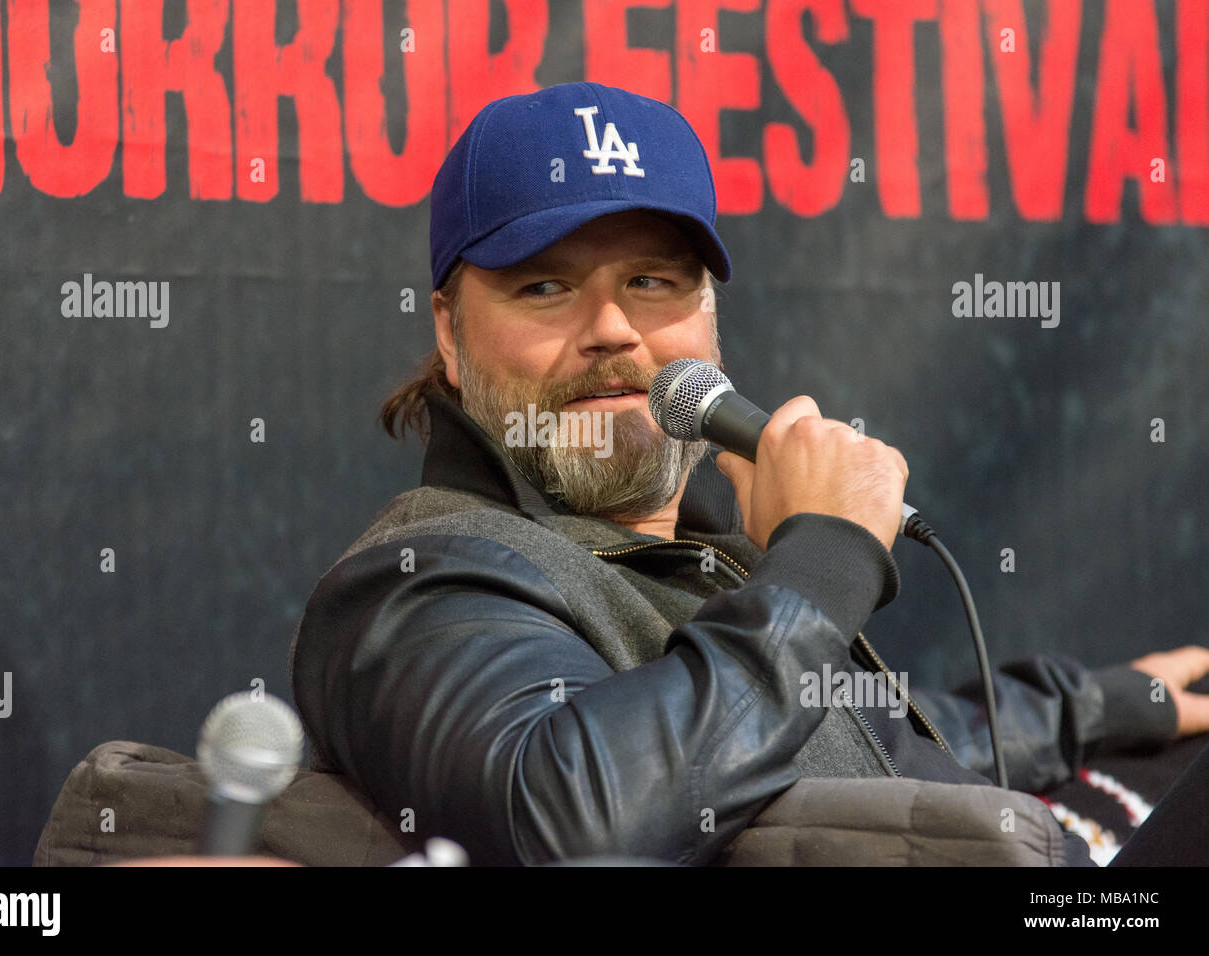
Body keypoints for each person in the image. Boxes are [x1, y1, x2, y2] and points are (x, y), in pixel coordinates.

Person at [289, 81, 1209, 867]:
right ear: (449, 331)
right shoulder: (421, 578)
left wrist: (1106, 704)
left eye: (654, 282)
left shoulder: (702, 559)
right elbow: (571, 819)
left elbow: (861, 740)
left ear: (709, 320)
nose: (614, 328)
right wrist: (823, 564)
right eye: (545, 285)